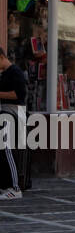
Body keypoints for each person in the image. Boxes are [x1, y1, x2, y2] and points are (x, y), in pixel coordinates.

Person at [0, 47, 28, 200]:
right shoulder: (4, 74)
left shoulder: (15, 72)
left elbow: (18, 94)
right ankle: (5, 186)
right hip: (5, 113)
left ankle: (15, 188)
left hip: (12, 113)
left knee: (6, 150)